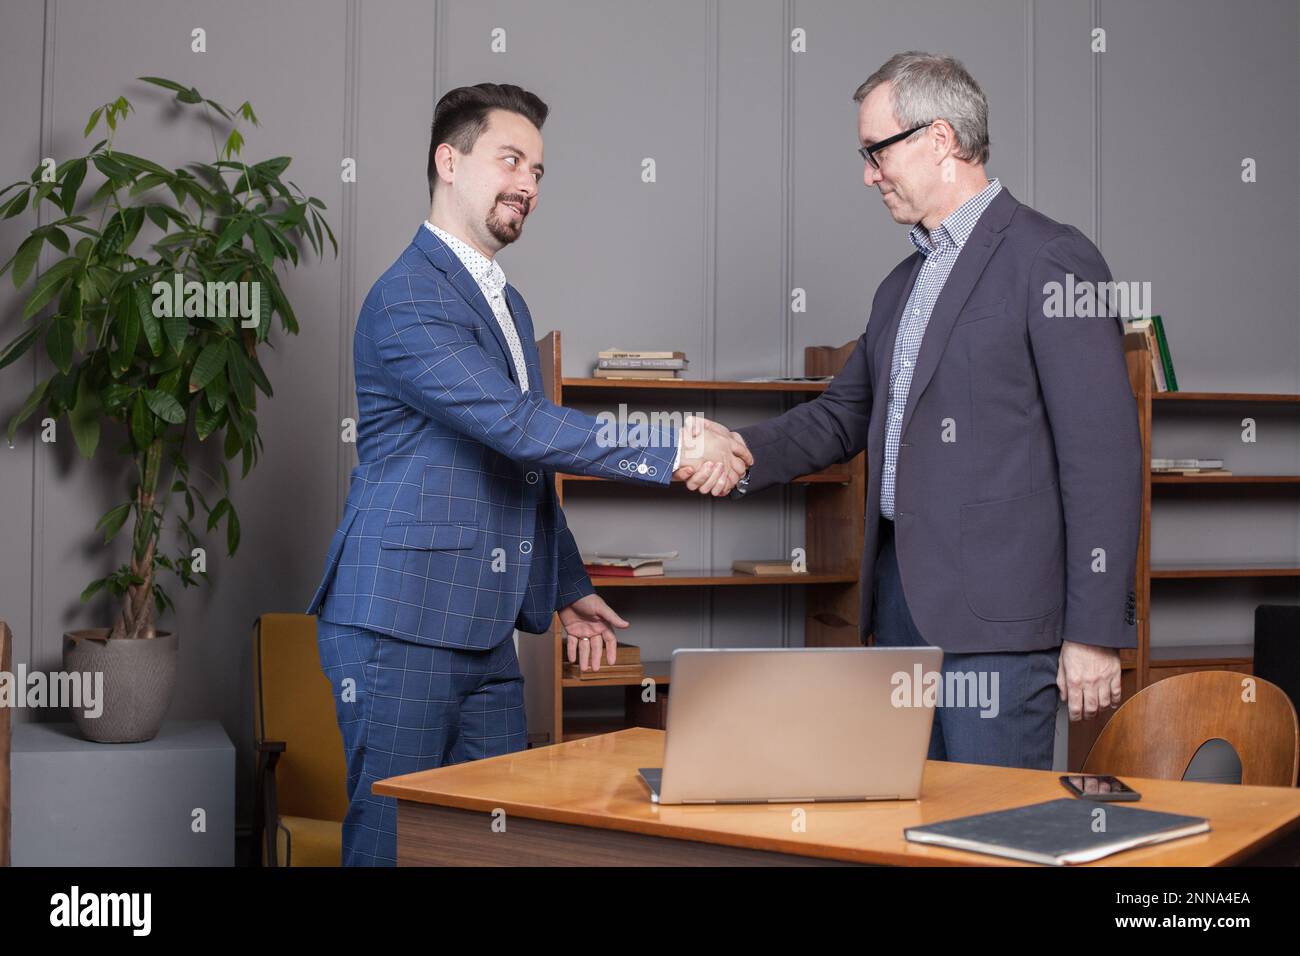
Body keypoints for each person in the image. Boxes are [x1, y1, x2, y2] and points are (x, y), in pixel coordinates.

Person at [305, 82, 750, 865]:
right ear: (449, 161)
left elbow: (521, 464)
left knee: (496, 843)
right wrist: (670, 443)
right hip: (398, 623)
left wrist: (565, 587)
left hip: (484, 631)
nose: (528, 185)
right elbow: (517, 424)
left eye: (539, 171)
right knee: (395, 843)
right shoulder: (407, 297)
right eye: (510, 160)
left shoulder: (506, 303)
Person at [690, 52, 1141, 770]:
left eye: (876, 151)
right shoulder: (902, 284)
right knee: (902, 829)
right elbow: (843, 414)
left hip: (1000, 626)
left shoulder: (1051, 258)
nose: (868, 173)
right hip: (900, 610)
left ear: (940, 140)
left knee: (989, 838)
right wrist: (739, 447)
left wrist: (1093, 631)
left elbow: (1105, 456)